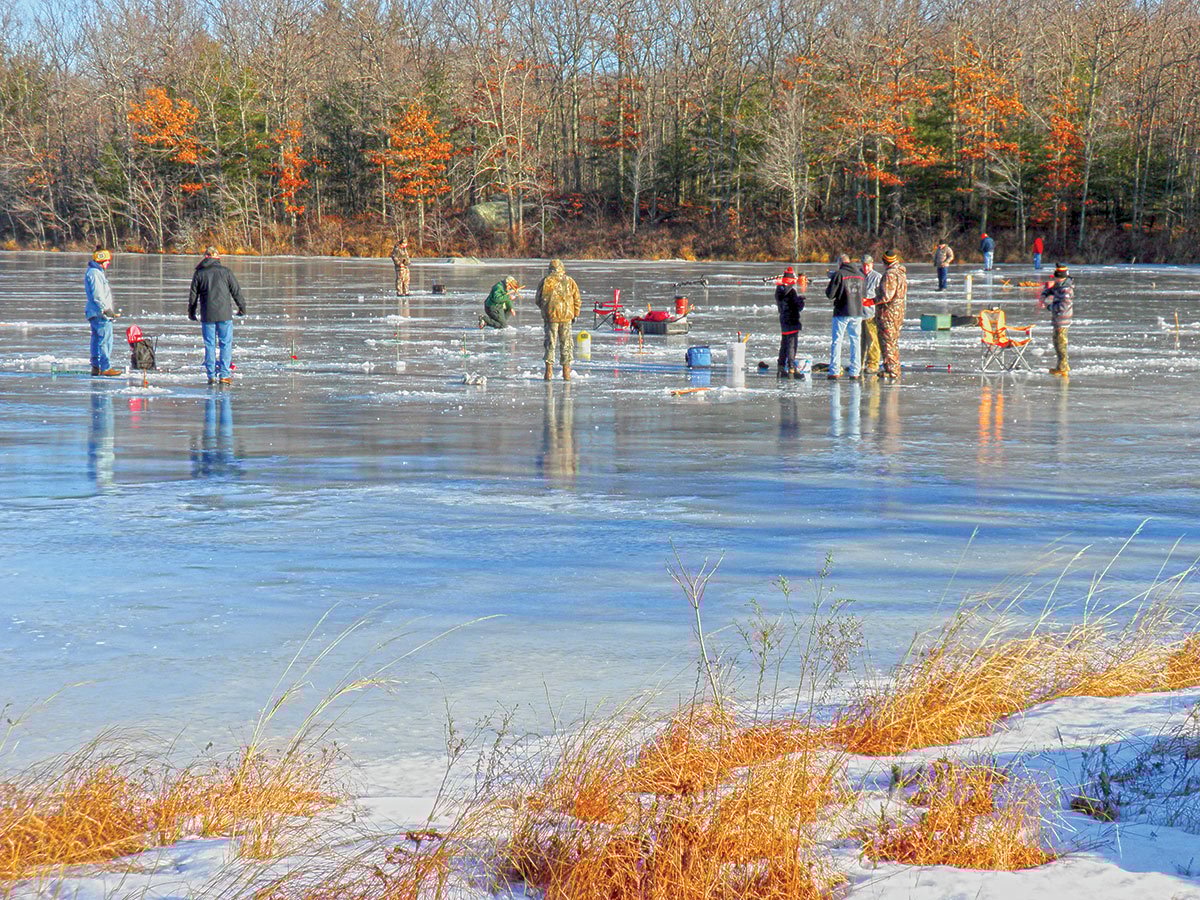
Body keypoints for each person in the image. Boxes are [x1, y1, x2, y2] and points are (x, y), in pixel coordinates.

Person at [188, 246, 247, 385]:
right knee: (225, 344)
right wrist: (242, 307)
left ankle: (211, 375)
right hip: (224, 314)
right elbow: (236, 291)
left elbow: (193, 296)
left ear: (205, 257)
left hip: (207, 315)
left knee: (209, 345)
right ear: (217, 257)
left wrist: (191, 312)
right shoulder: (225, 272)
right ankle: (224, 375)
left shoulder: (199, 273)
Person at [535, 259, 581, 381]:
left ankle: (548, 372)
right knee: (566, 344)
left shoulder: (545, 281)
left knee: (550, 343)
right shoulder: (569, 281)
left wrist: (546, 311)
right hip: (566, 317)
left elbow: (538, 299)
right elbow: (577, 299)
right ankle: (566, 373)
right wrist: (575, 313)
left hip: (551, 318)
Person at [825, 253, 865, 380]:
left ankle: (835, 370)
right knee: (855, 341)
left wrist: (832, 279)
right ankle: (855, 371)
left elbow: (830, 294)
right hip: (857, 312)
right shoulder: (861, 275)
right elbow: (863, 294)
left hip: (842, 312)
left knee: (837, 341)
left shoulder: (839, 274)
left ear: (840, 263)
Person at [84, 248, 122, 376]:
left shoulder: (94, 272)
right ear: (101, 261)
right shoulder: (95, 273)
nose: (108, 263)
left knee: (97, 339)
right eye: (107, 261)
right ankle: (105, 367)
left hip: (95, 312)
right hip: (100, 313)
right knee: (105, 340)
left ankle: (96, 367)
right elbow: (98, 295)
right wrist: (106, 310)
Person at [877, 250, 908, 379]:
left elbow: (886, 296)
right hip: (898, 312)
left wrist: (872, 300)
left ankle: (892, 370)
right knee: (893, 341)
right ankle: (894, 367)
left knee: (887, 341)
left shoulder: (890, 274)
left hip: (888, 313)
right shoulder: (901, 273)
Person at [1039, 263, 1074, 376]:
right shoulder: (1059, 285)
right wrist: (1044, 295)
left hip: (1063, 319)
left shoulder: (1066, 289)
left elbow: (1064, 306)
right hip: (1058, 318)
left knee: (1061, 343)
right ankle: (1060, 366)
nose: (1054, 279)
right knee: (1056, 341)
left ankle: (1064, 367)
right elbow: (1050, 290)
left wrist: (1050, 307)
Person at [774, 266, 806, 378]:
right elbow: (797, 306)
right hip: (792, 321)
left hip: (783, 320)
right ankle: (792, 367)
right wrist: (801, 300)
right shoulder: (791, 292)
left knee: (784, 344)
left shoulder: (779, 290)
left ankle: (781, 366)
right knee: (792, 345)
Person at [860, 254, 882, 375]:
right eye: (864, 266)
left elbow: (881, 296)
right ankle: (859, 362)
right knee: (859, 341)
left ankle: (873, 363)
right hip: (858, 314)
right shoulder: (857, 275)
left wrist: (870, 301)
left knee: (872, 340)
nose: (866, 268)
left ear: (872, 264)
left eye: (868, 266)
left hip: (871, 314)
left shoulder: (877, 277)